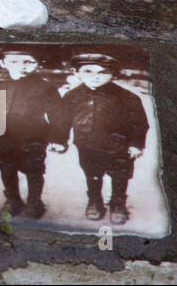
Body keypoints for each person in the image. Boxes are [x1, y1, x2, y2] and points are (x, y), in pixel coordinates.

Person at [0, 49, 68, 219]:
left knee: (34, 170)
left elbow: (58, 114)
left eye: (28, 62)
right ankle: (13, 200)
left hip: (33, 137)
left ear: (37, 64)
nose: (21, 66)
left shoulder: (44, 86)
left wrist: (58, 138)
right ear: (2, 63)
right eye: (14, 61)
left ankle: (34, 202)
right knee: (6, 168)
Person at [61, 53, 150, 225]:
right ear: (77, 72)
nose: (95, 77)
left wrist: (136, 144)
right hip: (87, 145)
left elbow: (139, 123)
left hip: (119, 146)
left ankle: (118, 203)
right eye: (88, 71)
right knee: (92, 173)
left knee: (120, 175)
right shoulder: (72, 96)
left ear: (113, 75)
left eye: (103, 72)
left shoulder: (128, 98)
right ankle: (95, 201)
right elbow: (62, 121)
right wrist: (59, 140)